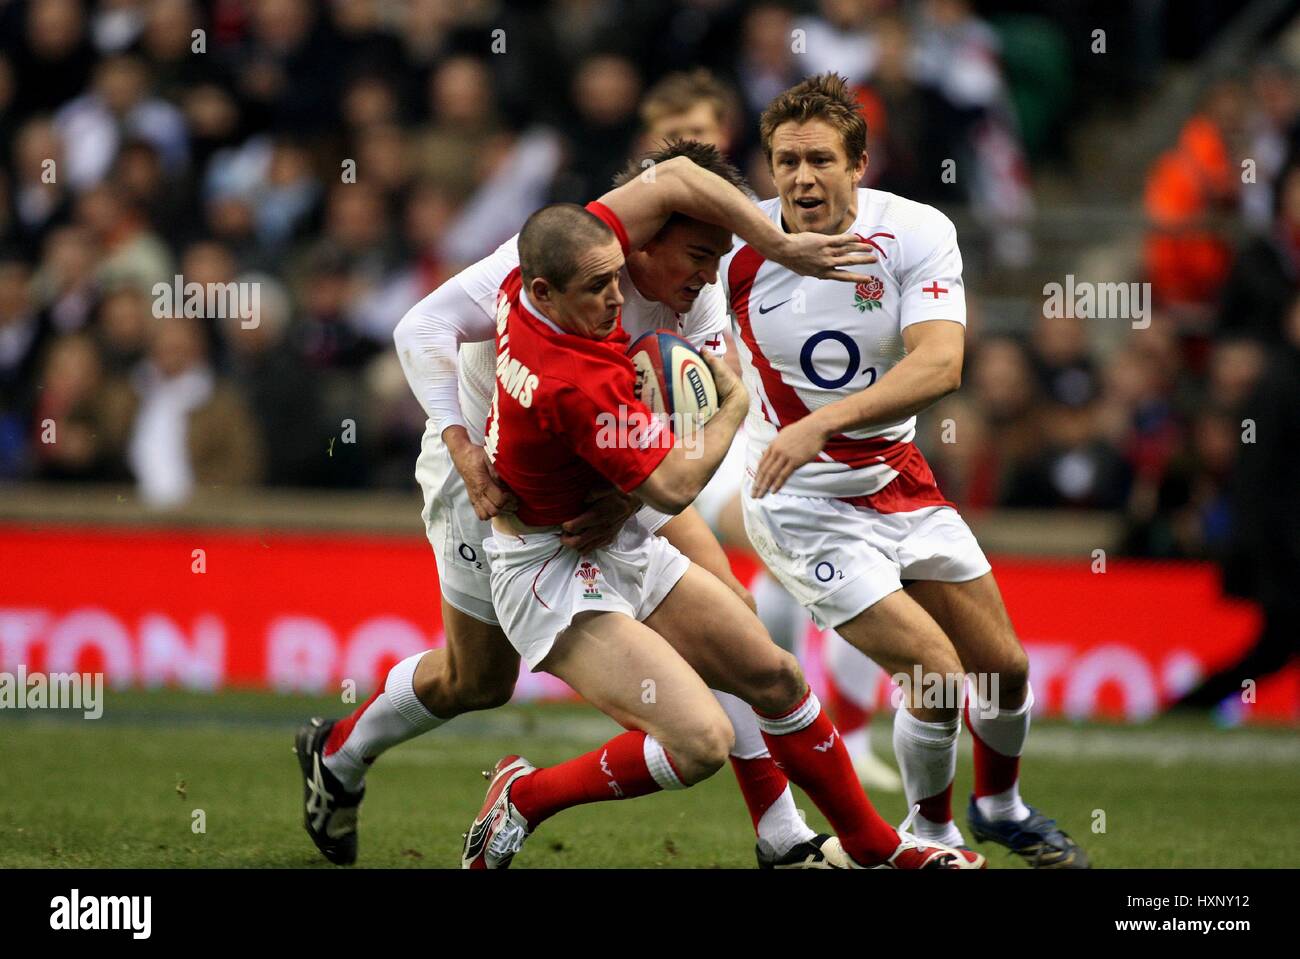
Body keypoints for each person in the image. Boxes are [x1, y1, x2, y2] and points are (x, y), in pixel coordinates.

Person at [294, 143, 890, 868]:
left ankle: (781, 833)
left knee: (731, 614)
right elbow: (419, 329)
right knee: (477, 679)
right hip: (494, 483)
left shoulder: (695, 296)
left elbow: (687, 435)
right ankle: (340, 752)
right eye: (701, 253)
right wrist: (461, 446)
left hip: (610, 480)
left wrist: (624, 501)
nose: (711, 277)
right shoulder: (555, 264)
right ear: (646, 232)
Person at [461, 200, 981, 869]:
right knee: (699, 742)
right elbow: (676, 488)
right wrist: (732, 404)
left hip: (610, 538)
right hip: (548, 572)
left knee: (775, 674)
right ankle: (524, 796)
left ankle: (874, 847)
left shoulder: (516, 293)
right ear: (542, 290)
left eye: (615, 276)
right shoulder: (574, 384)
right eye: (596, 289)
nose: (616, 297)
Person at [722, 73, 1088, 867]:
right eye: (785, 161)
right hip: (802, 502)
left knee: (1006, 669)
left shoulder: (916, 230)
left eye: (820, 159)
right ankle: (931, 832)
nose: (801, 178)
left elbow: (942, 361)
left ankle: (1000, 804)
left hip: (898, 477)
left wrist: (822, 420)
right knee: (933, 674)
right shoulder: (738, 253)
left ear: (859, 163)